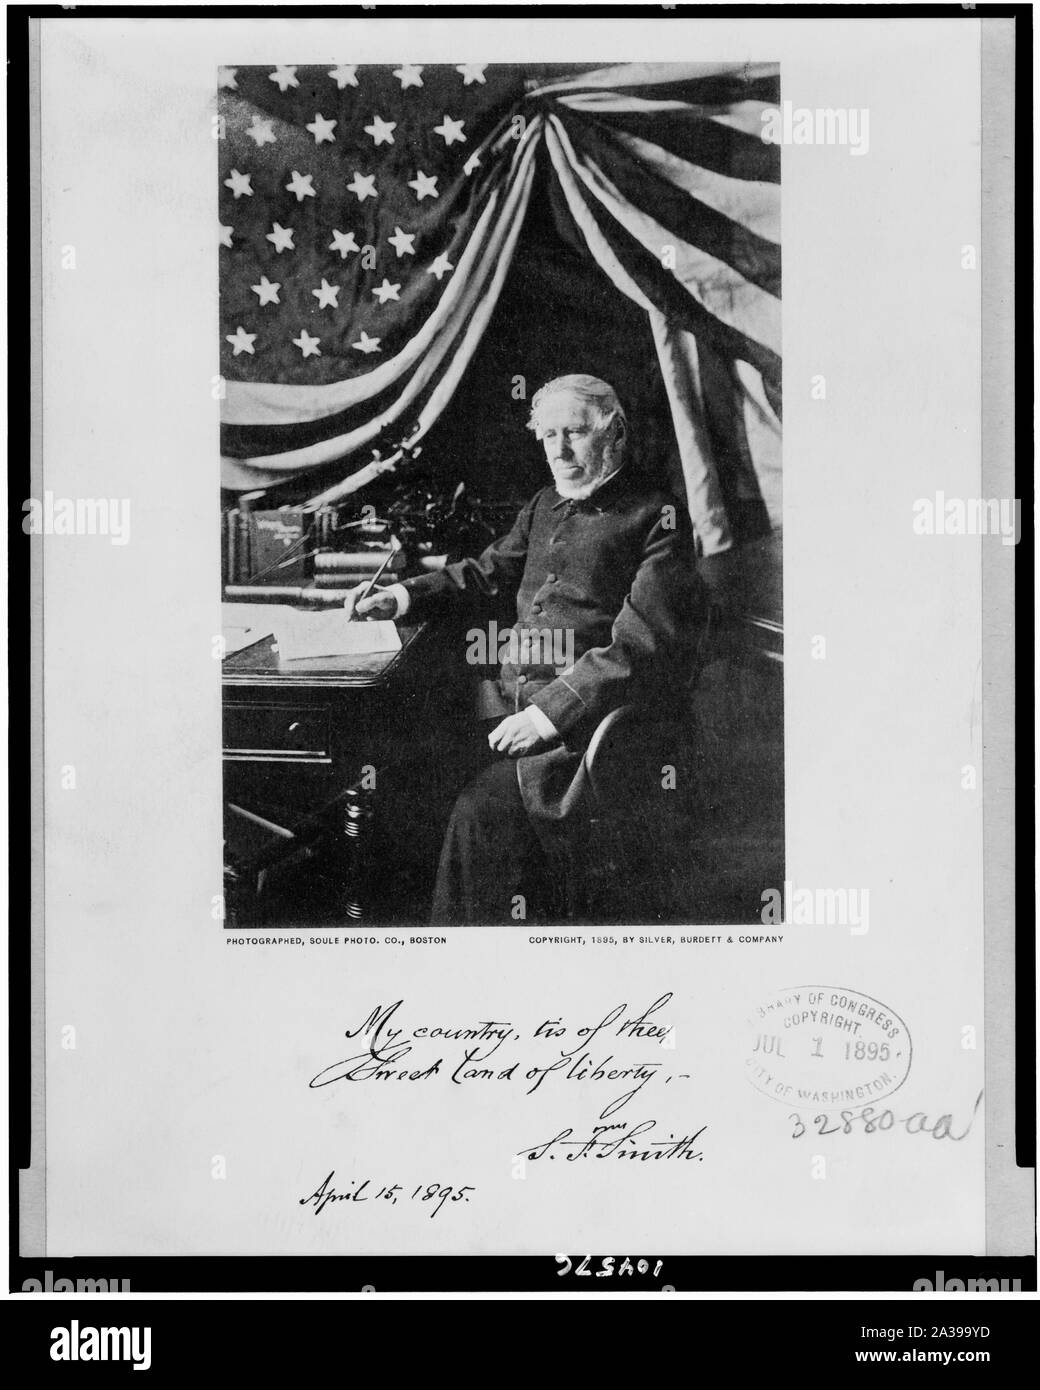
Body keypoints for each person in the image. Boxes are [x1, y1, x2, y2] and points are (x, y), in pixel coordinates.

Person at [343, 374, 710, 925]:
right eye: (548, 435)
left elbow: (641, 644)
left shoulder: (657, 516)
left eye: (576, 433)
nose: (559, 450)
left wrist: (548, 714)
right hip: (507, 704)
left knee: (477, 813)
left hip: (589, 726)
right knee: (404, 773)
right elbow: (488, 573)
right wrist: (396, 597)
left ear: (615, 435)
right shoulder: (544, 504)